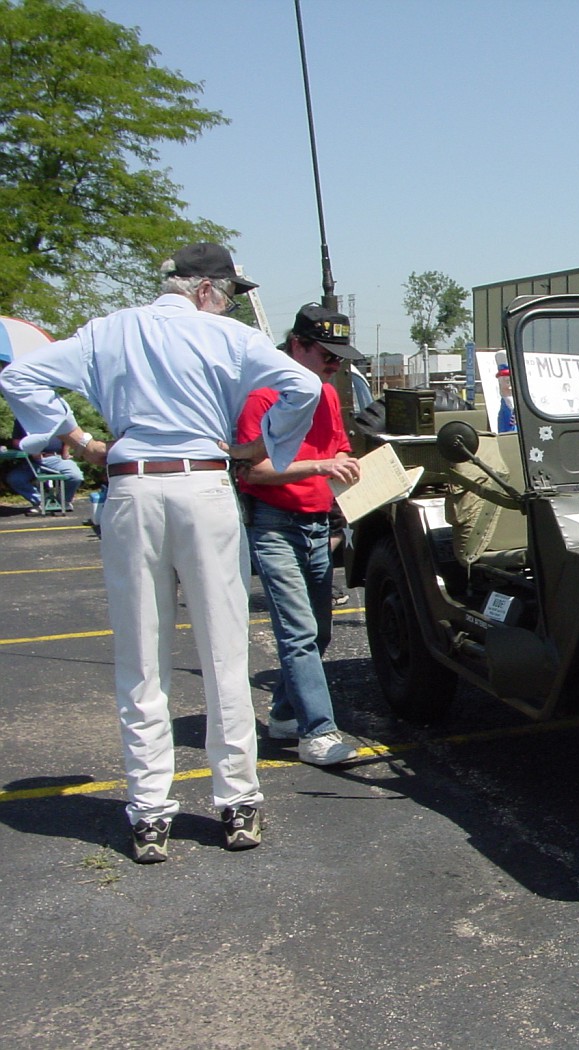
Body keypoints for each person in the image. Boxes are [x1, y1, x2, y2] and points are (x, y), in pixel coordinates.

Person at [0, 243, 321, 863]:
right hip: (203, 484)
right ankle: (238, 802)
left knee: (140, 655)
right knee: (224, 648)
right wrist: (261, 448)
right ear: (204, 289)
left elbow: (19, 375)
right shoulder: (223, 334)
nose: (227, 301)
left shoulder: (106, 332)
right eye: (227, 291)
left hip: (133, 487)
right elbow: (301, 384)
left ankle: (150, 812)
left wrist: (76, 439)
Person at [236, 303, 363, 766]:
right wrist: (320, 465)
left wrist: (348, 468)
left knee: (320, 633)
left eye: (339, 358)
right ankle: (318, 733)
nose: (334, 366)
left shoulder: (325, 394)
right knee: (299, 632)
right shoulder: (263, 395)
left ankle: (286, 715)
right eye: (327, 355)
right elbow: (253, 469)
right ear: (297, 346)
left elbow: (339, 447)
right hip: (275, 524)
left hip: (314, 521)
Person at [8, 419, 84, 513]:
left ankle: (64, 501)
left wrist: (65, 451)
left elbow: (69, 435)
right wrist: (31, 449)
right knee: (15, 479)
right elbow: (16, 441)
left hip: (55, 457)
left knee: (75, 476)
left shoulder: (55, 417)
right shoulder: (21, 418)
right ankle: (41, 501)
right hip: (32, 461)